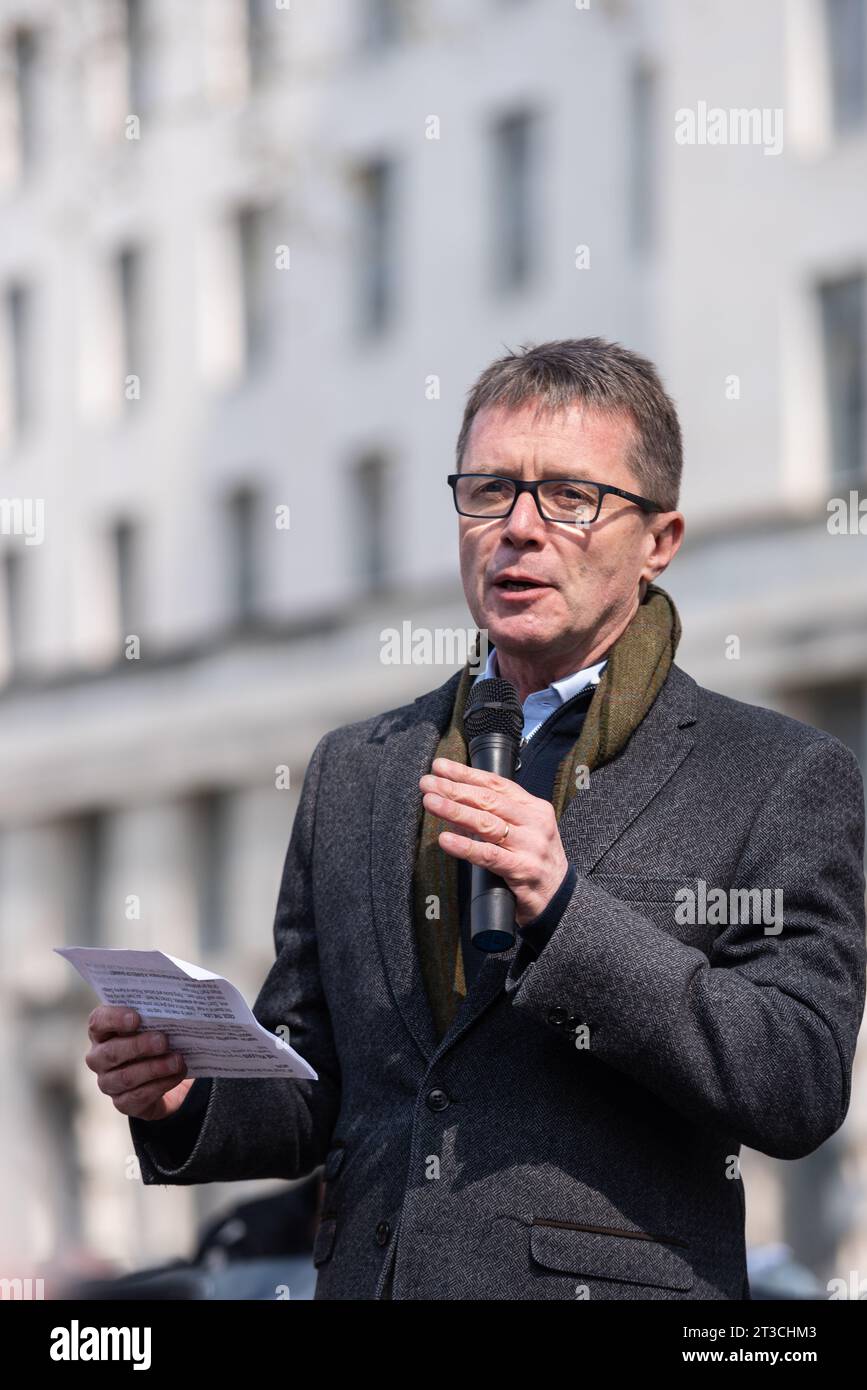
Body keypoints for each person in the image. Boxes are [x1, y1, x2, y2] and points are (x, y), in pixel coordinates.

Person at [85, 337, 866, 1300]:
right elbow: (320, 1086)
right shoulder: (359, 770)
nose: (519, 529)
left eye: (570, 498)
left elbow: (795, 1082)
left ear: (659, 540)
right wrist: (188, 1094)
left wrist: (565, 910)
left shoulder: (776, 776)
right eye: (489, 490)